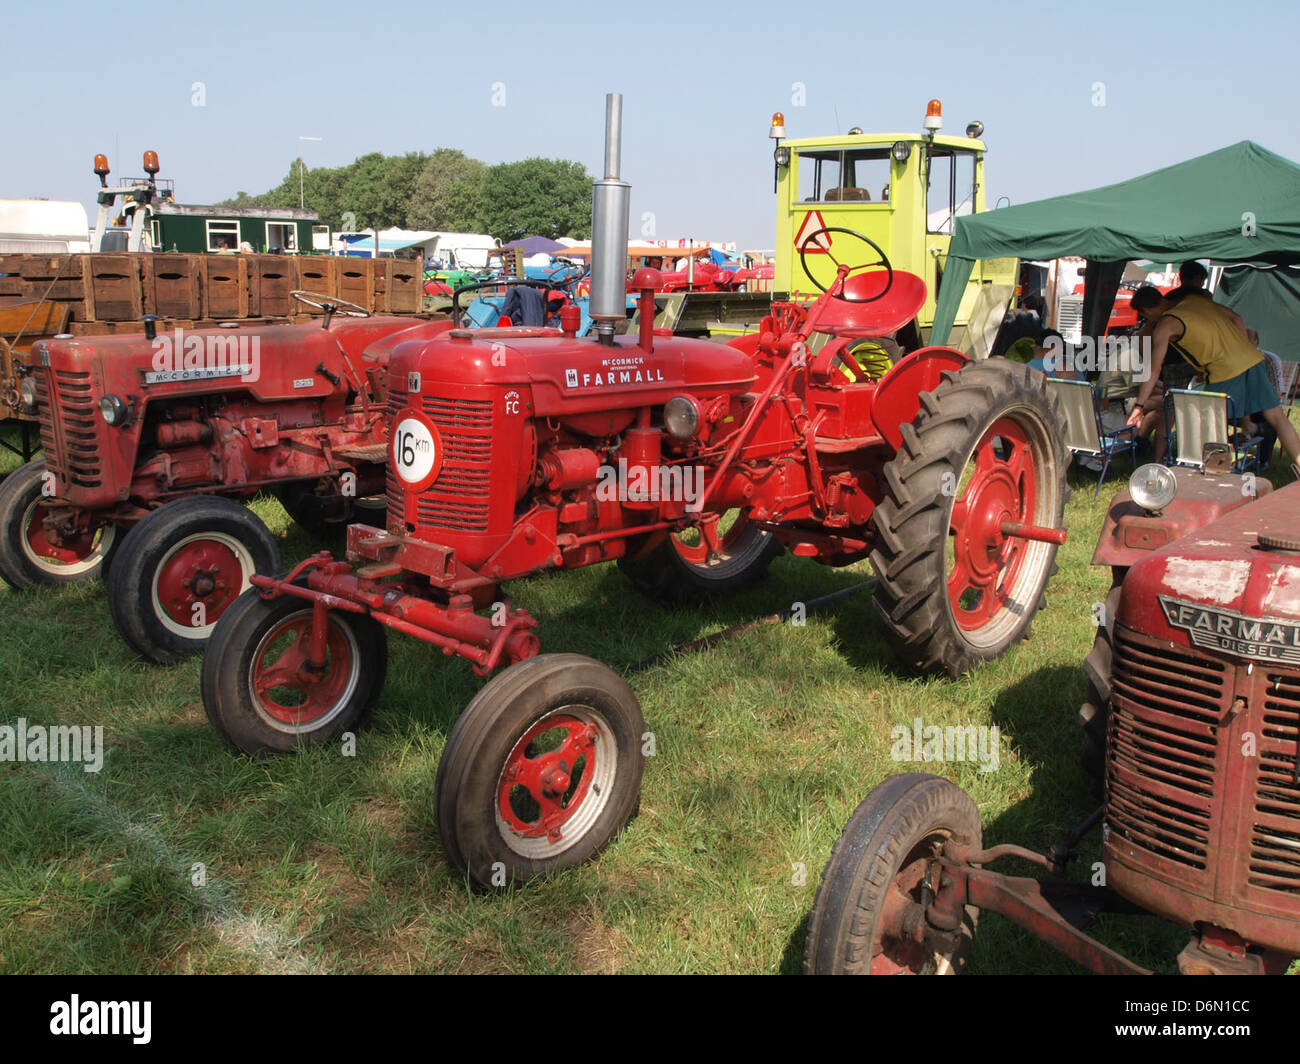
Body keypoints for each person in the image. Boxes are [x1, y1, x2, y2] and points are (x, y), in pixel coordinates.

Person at [1127, 293, 1300, 476]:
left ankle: (1217, 475)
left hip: (1223, 369)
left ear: (1145, 311)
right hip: (1252, 359)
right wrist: (1241, 348)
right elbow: (1236, 318)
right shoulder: (1196, 300)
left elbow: (1154, 370)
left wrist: (1139, 406)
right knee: (1277, 417)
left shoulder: (1165, 325)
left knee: (1210, 426)